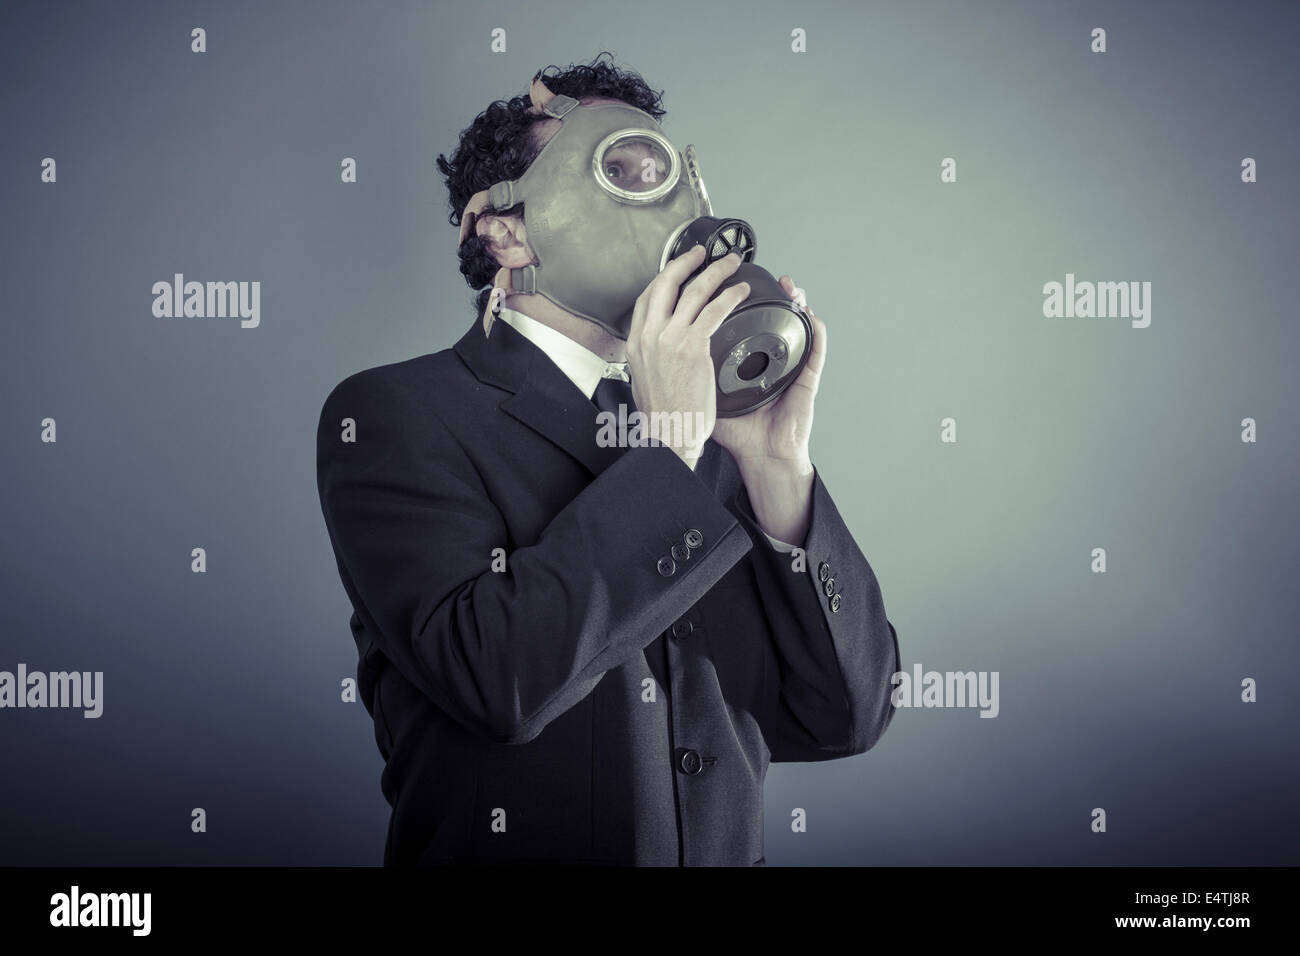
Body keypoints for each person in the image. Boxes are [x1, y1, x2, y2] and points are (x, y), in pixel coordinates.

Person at [316, 55, 900, 866]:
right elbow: (501, 686)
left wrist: (776, 467)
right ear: (508, 231)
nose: (673, 209)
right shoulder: (393, 416)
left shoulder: (714, 435)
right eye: (622, 172)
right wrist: (666, 453)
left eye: (671, 174)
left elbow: (844, 718)